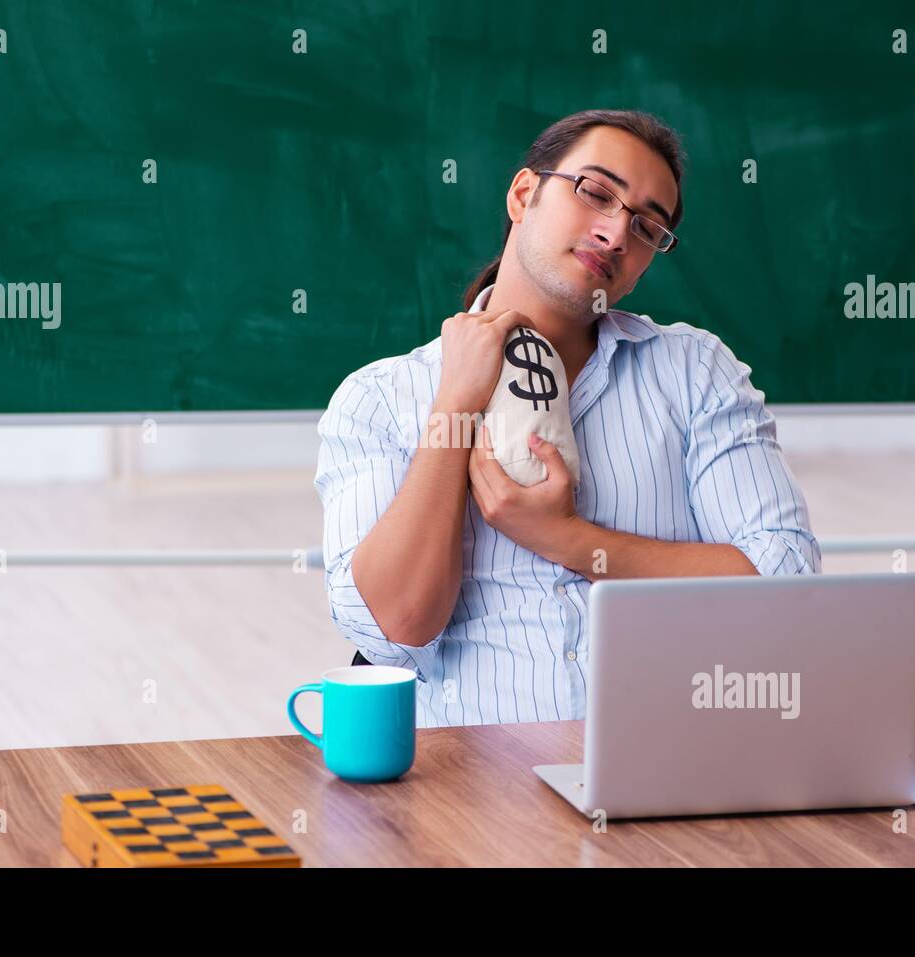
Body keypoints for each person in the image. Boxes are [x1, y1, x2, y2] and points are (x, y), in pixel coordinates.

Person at [314, 109, 821, 728]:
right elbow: (397, 631)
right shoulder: (380, 397)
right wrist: (455, 401)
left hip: (668, 769)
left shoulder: (694, 372)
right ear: (524, 194)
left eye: (647, 226)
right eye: (596, 192)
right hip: (465, 795)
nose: (615, 233)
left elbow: (788, 583)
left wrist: (566, 538)